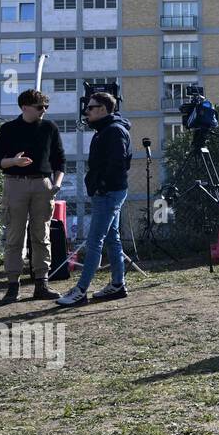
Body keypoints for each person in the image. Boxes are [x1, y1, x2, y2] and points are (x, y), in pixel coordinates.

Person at [0, 88, 65, 302]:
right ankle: (13, 286)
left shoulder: (50, 127)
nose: (44, 110)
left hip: (43, 185)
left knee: (42, 235)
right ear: (24, 107)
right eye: (40, 107)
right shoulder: (8, 129)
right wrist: (13, 161)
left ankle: (42, 283)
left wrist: (55, 185)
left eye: (46, 107)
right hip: (15, 185)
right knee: (15, 236)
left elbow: (60, 160)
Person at [55, 93, 133, 306]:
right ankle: (118, 285)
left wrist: (101, 186)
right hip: (109, 192)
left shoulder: (114, 131)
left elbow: (118, 164)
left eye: (90, 108)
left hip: (108, 194)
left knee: (94, 241)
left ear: (103, 109)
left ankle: (80, 290)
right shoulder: (106, 130)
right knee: (112, 239)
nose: (86, 112)